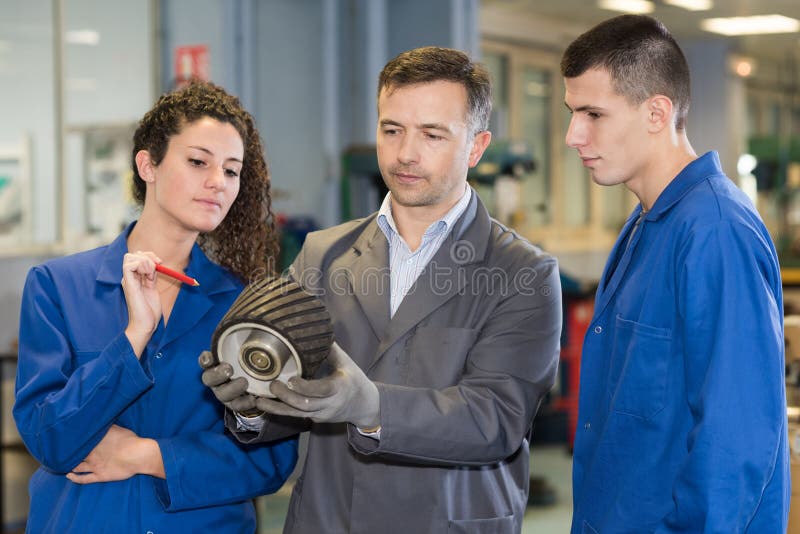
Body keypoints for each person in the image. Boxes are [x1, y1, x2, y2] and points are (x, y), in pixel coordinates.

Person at [201, 46, 562, 533]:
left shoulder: (523, 273)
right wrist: (250, 402)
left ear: (476, 147)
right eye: (391, 130)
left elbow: (494, 419)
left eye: (432, 134)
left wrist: (371, 405)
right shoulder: (321, 255)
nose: (405, 153)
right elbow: (298, 395)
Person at [13, 81, 298, 533]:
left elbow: (270, 460)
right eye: (197, 161)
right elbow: (50, 438)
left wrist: (148, 456)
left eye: (231, 170)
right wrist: (133, 337)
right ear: (148, 164)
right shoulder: (57, 288)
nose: (216, 183)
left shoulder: (246, 305)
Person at [561, 15, 789, 532]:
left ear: (656, 112)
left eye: (593, 113)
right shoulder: (646, 223)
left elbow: (738, 437)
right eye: (572, 112)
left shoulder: (714, 231)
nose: (574, 135)